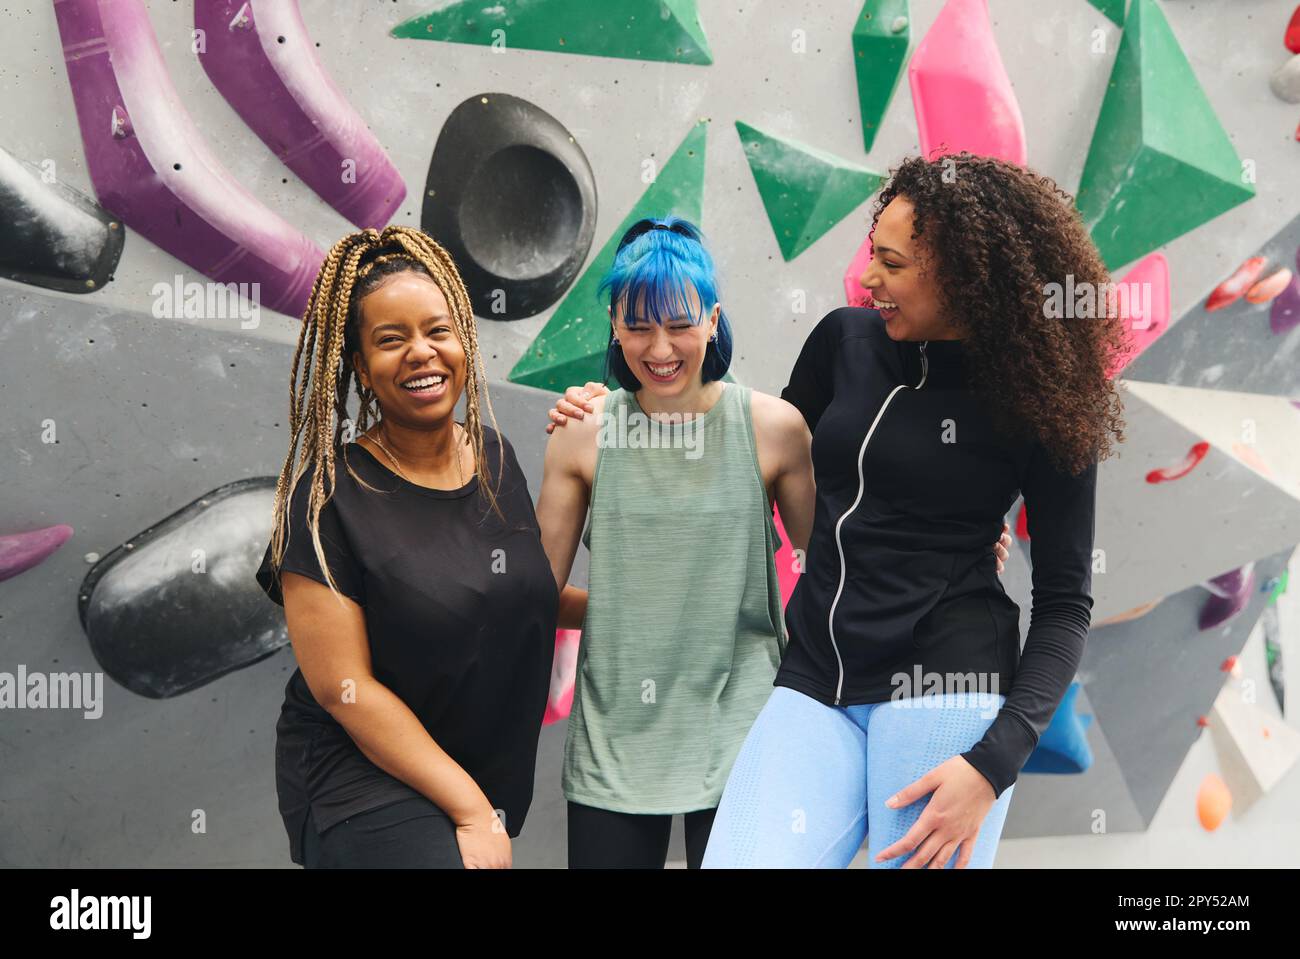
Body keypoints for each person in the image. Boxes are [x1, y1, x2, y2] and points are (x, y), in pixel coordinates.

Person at [549, 153, 1125, 868]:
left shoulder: (1045, 400)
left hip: (944, 685)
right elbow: (739, 450)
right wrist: (612, 408)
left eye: (892, 262)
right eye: (871, 254)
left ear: (963, 274)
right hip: (814, 680)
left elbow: (1066, 603)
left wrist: (992, 763)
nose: (869, 278)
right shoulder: (844, 341)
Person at [254, 225, 584, 868]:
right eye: (390, 339)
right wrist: (468, 808)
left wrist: (635, 612)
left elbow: (514, 592)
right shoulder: (327, 498)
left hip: (464, 758)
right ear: (359, 366)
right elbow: (343, 687)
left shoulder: (494, 456)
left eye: (437, 331)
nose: (421, 353)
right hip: (358, 768)